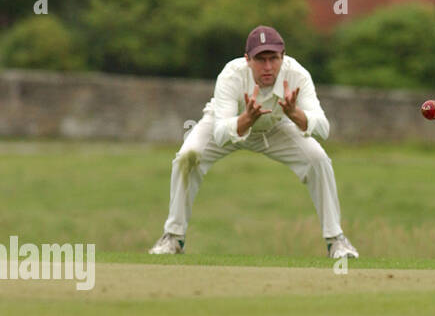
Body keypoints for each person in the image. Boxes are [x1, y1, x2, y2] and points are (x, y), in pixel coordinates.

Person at [147, 25, 359, 259]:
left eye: (273, 59)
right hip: (230, 123)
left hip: (278, 124)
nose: (268, 67)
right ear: (247, 59)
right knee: (188, 156)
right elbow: (219, 133)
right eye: (260, 59)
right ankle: (173, 237)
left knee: (318, 159)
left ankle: (336, 240)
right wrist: (246, 118)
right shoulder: (231, 74)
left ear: (283, 56)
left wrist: (294, 113)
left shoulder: (298, 75)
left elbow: (323, 128)